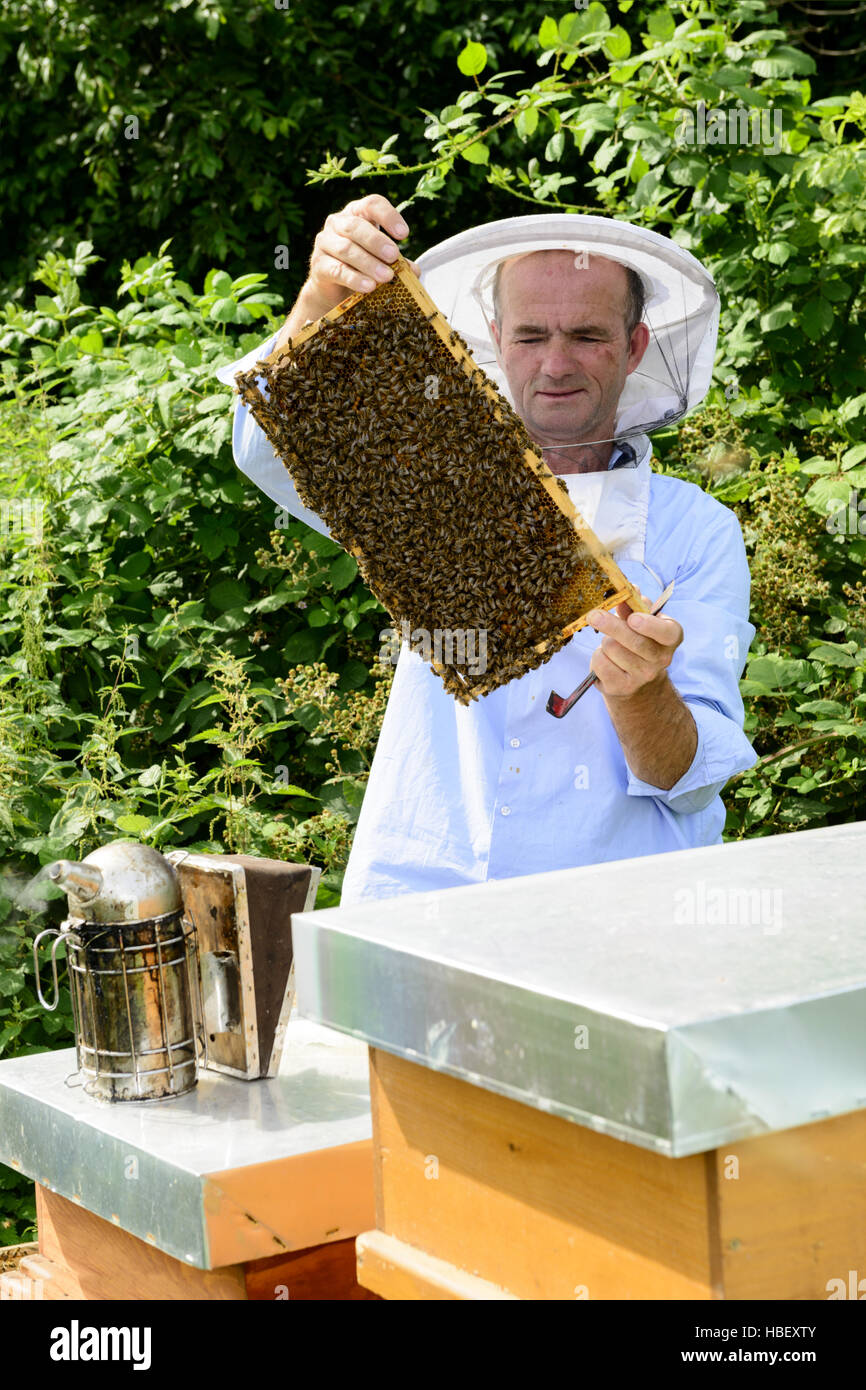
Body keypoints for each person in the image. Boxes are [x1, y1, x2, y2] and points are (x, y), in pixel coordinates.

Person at [217, 195, 757, 904]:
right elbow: (267, 445)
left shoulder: (697, 532)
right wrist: (323, 295)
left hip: (610, 920)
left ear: (634, 347)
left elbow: (683, 780)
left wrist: (644, 693)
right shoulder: (433, 475)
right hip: (421, 898)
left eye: (587, 335)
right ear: (497, 339)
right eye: (532, 335)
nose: (556, 364)